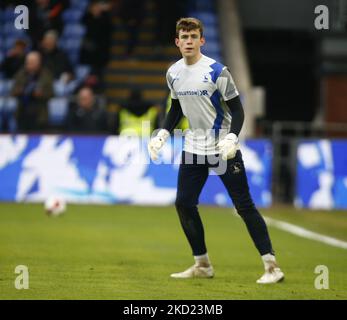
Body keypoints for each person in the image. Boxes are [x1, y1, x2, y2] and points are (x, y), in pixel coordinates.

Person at [147, 18, 284, 284]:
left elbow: (237, 109)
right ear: (177, 42)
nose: (188, 41)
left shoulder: (217, 71)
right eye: (184, 37)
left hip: (222, 149)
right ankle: (202, 264)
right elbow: (175, 108)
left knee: (244, 206)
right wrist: (163, 133)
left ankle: (272, 267)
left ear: (202, 40)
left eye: (193, 36)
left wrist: (232, 137)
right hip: (193, 148)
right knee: (184, 204)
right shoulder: (173, 73)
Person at [11, 51, 54, 132]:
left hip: (39, 113)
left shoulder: (46, 74)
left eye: (32, 62)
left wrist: (40, 94)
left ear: (38, 62)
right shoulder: (20, 74)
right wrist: (19, 91)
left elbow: (51, 93)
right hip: (22, 111)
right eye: (28, 62)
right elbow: (12, 91)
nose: (29, 64)